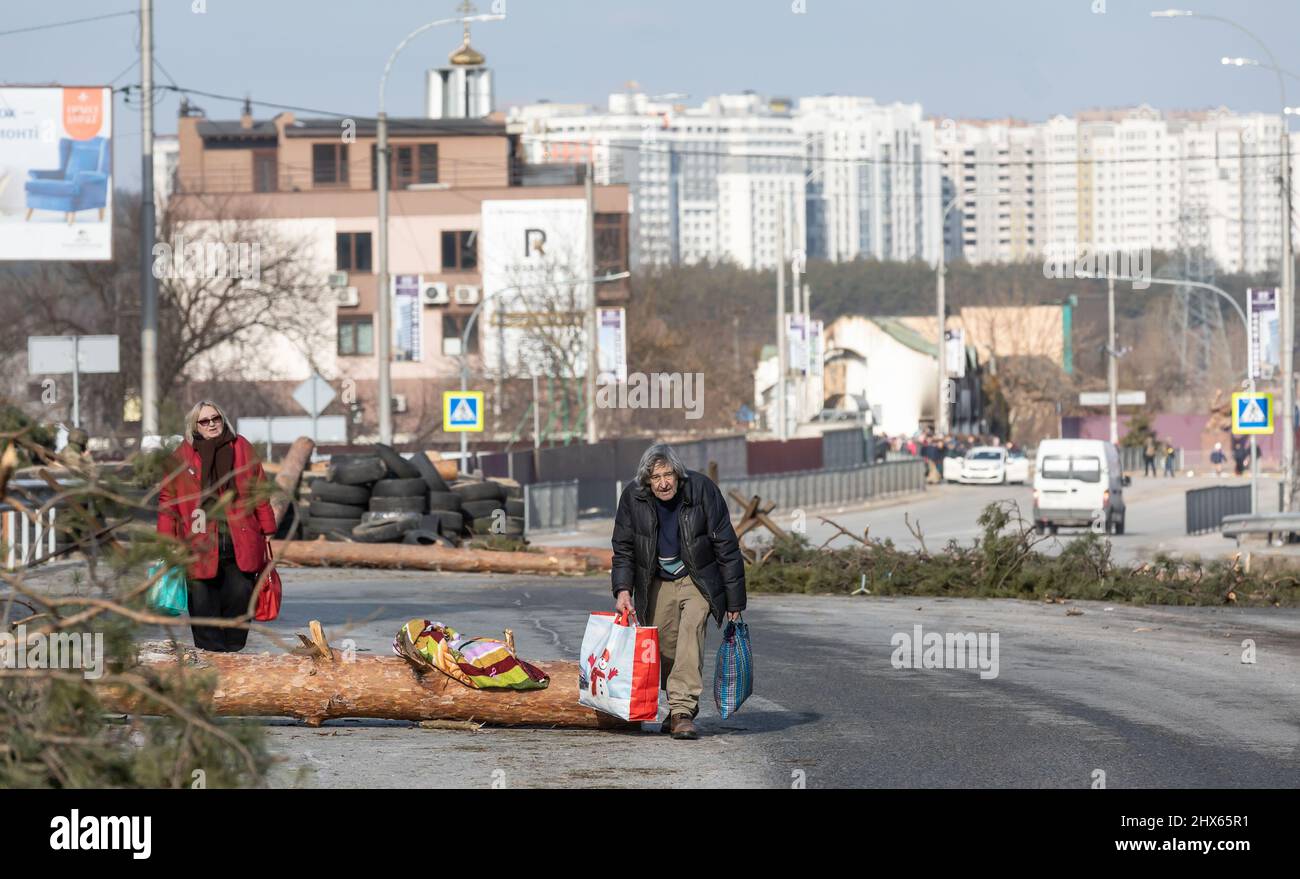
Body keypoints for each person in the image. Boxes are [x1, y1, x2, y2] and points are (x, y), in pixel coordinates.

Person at [611, 443, 745, 740]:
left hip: (696, 578)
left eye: (668, 474)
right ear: (646, 480)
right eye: (656, 477)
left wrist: (735, 600)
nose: (663, 483)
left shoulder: (702, 490)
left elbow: (726, 544)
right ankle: (675, 706)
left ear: (678, 473)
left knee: (691, 634)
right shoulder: (632, 498)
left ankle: (682, 710)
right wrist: (623, 590)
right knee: (664, 647)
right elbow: (623, 548)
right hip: (655, 581)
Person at [157, 400, 277, 652]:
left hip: (239, 535)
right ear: (195, 426)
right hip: (198, 538)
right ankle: (211, 656)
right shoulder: (181, 456)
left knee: (240, 594)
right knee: (202, 599)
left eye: (216, 418)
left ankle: (233, 651)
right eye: (205, 421)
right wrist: (167, 540)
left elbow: (259, 489)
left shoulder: (241, 447)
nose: (211, 424)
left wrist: (267, 528)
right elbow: (169, 501)